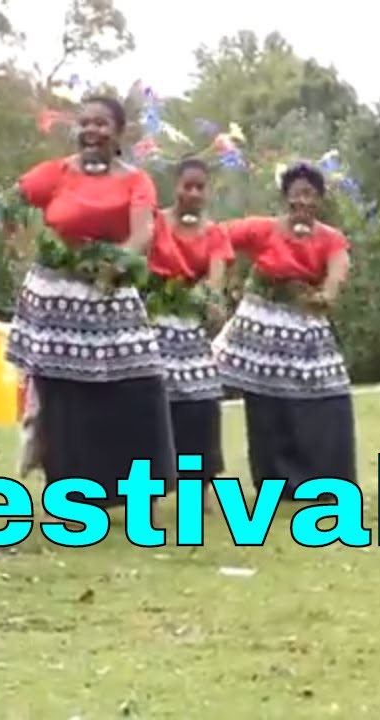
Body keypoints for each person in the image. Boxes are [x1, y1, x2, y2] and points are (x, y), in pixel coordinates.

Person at [0, 94, 176, 510]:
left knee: (137, 383)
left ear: (119, 131)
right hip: (56, 297)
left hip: (110, 291)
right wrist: (26, 243)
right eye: (85, 123)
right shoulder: (54, 173)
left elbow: (142, 231)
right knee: (64, 395)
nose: (91, 130)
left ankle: (137, 489)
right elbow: (7, 205)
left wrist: (115, 265)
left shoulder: (135, 180)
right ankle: (70, 494)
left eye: (101, 123)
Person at [216, 162, 355, 498]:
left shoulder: (330, 237)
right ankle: (276, 481)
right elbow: (216, 238)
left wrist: (327, 295)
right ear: (286, 197)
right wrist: (220, 284)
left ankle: (324, 479)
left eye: (310, 194)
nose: (303, 201)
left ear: (319, 200)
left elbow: (338, 268)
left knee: (327, 396)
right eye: (297, 194)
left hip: (306, 325)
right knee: (266, 404)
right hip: (260, 326)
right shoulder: (263, 229)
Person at [147, 157, 232, 495]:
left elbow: (216, 276)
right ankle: (150, 484)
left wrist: (211, 300)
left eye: (200, 187)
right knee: (155, 402)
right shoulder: (155, 223)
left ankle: (200, 486)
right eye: (188, 186)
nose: (193, 193)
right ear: (176, 186)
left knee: (201, 404)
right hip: (153, 319)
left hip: (191, 325)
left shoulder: (214, 233)